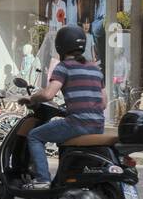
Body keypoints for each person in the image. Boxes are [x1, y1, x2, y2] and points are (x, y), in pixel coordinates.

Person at [20, 25, 105, 189]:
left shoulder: (64, 66)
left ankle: (42, 179)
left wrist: (31, 98)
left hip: (78, 124)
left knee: (34, 136)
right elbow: (103, 103)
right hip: (98, 126)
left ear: (61, 46)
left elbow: (48, 95)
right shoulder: (95, 69)